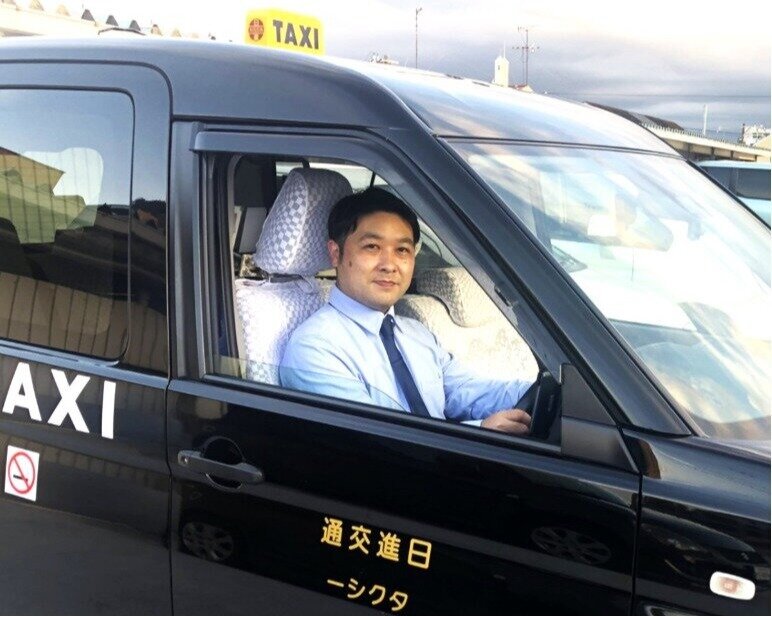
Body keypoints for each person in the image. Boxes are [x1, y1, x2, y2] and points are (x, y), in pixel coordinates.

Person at [279, 187, 534, 435]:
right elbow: (379, 442)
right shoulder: (315, 347)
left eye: (402, 250)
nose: (389, 265)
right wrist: (480, 432)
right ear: (336, 253)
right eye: (372, 247)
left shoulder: (416, 333)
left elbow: (463, 391)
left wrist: (538, 392)